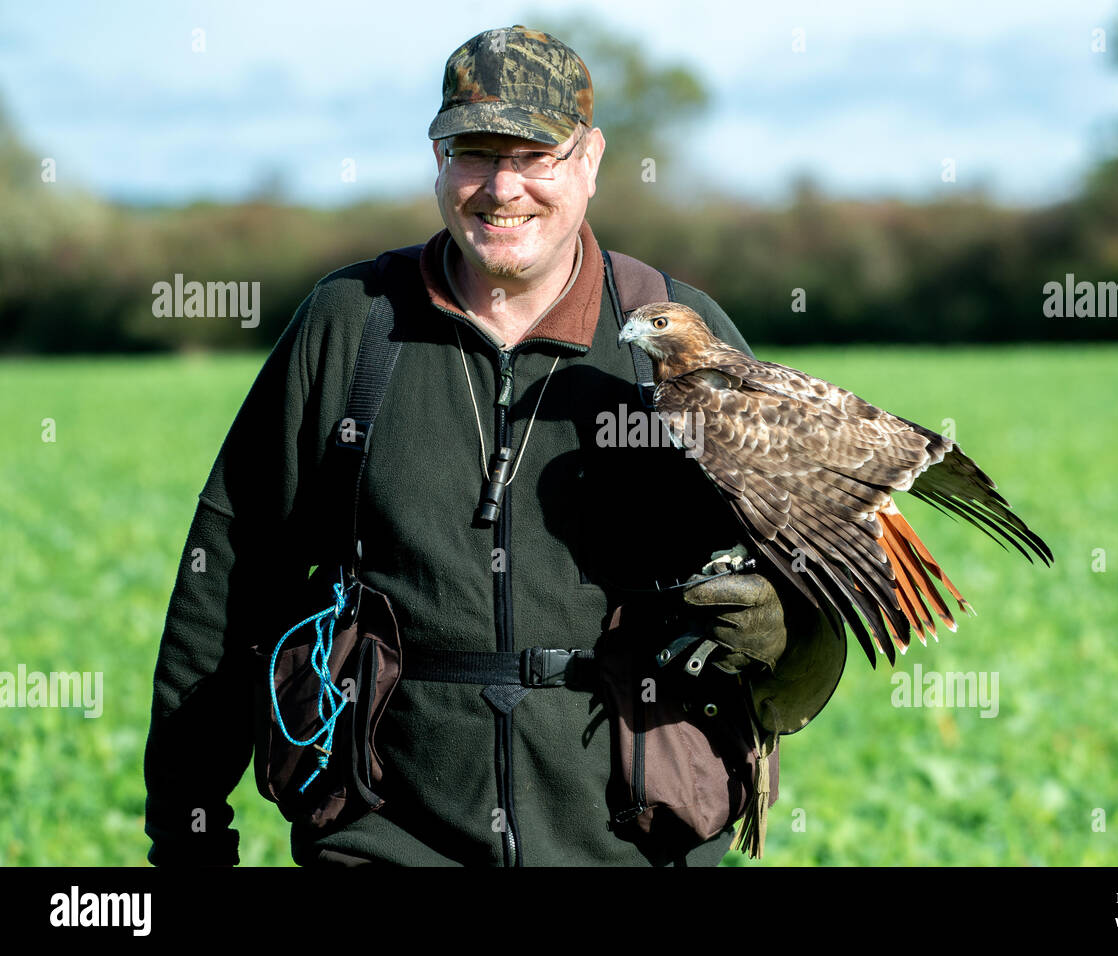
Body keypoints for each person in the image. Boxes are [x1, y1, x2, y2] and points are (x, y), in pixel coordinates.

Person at [144, 24, 841, 868]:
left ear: (589, 162)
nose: (502, 187)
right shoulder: (353, 324)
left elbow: (818, 593)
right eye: (473, 152)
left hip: (637, 844)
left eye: (535, 154)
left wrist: (783, 634)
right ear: (439, 161)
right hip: (384, 841)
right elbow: (229, 578)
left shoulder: (679, 335)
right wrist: (186, 831)